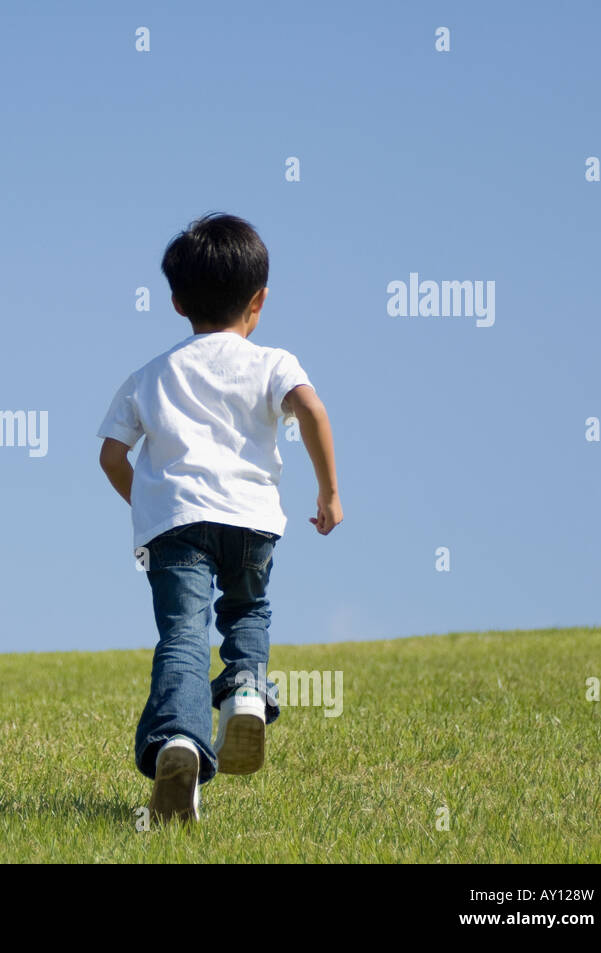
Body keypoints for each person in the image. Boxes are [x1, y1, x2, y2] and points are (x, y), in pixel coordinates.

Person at [96, 212, 343, 823]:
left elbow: (109, 454)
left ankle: (179, 741)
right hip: (252, 523)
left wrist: (151, 502)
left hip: (175, 527)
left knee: (183, 635)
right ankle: (247, 697)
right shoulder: (272, 363)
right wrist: (329, 492)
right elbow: (311, 409)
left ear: (177, 302)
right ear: (258, 301)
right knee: (248, 611)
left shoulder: (148, 375)